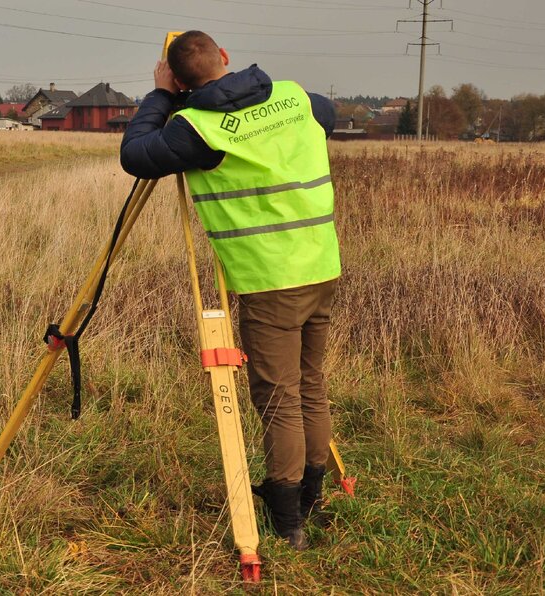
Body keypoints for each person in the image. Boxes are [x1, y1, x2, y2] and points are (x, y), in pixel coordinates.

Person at [120, 31, 339, 551]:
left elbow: (135, 153)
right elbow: (325, 116)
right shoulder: (294, 96)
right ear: (225, 58)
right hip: (322, 266)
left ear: (177, 78)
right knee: (310, 383)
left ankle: (288, 518)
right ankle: (311, 492)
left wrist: (159, 97)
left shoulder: (197, 128)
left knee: (279, 398)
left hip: (270, 281)